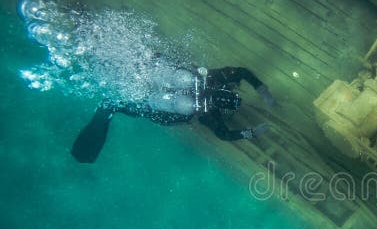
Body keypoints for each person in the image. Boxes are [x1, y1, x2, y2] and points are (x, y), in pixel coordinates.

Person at [71, 65, 276, 163]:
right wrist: (252, 132)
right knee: (138, 106)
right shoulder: (208, 115)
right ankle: (109, 106)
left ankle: (115, 95)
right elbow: (224, 134)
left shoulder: (215, 78)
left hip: (164, 101)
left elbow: (242, 71)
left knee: (140, 100)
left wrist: (263, 92)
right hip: (162, 111)